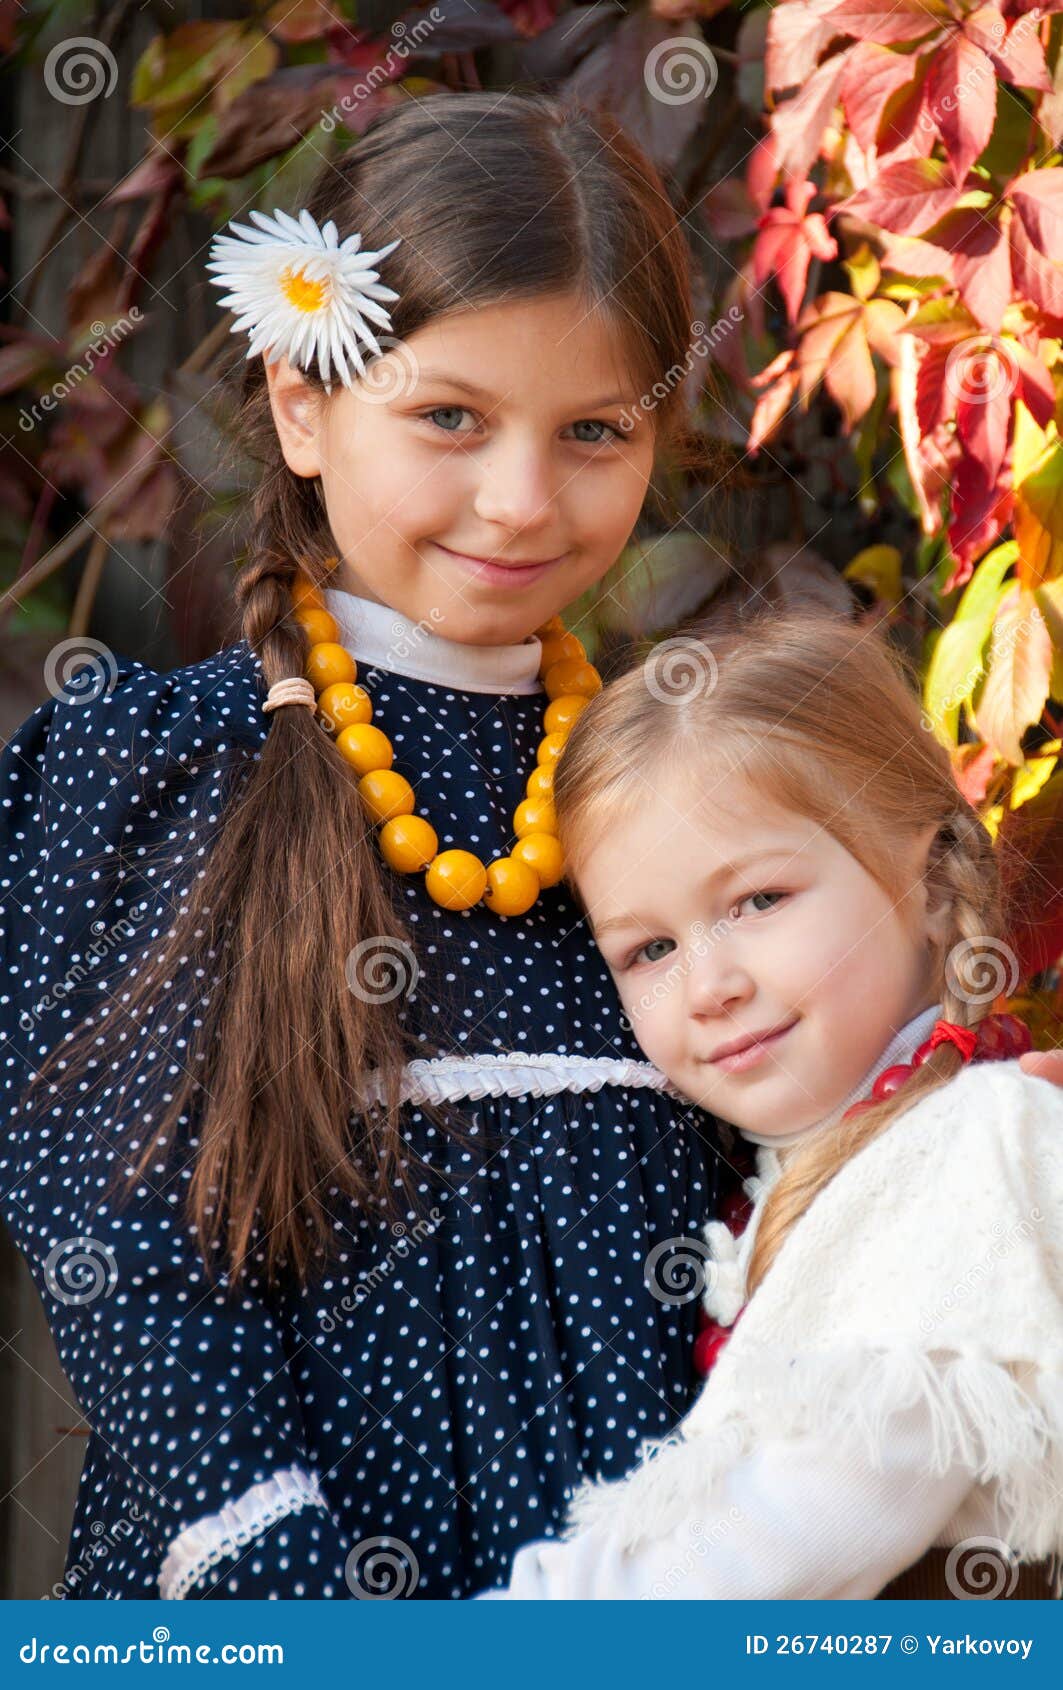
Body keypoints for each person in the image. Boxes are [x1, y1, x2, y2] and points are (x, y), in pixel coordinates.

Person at [0, 91, 729, 1600]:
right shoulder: (155, 767)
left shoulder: (676, 790)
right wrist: (296, 1596)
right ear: (301, 404)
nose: (519, 501)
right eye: (448, 417)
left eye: (594, 431)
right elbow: (118, 1242)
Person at [480, 608, 1063, 1600]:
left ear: (930, 884)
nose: (709, 986)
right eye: (649, 950)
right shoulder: (791, 1181)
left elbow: (780, 1541)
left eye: (758, 901)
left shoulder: (975, 1153)